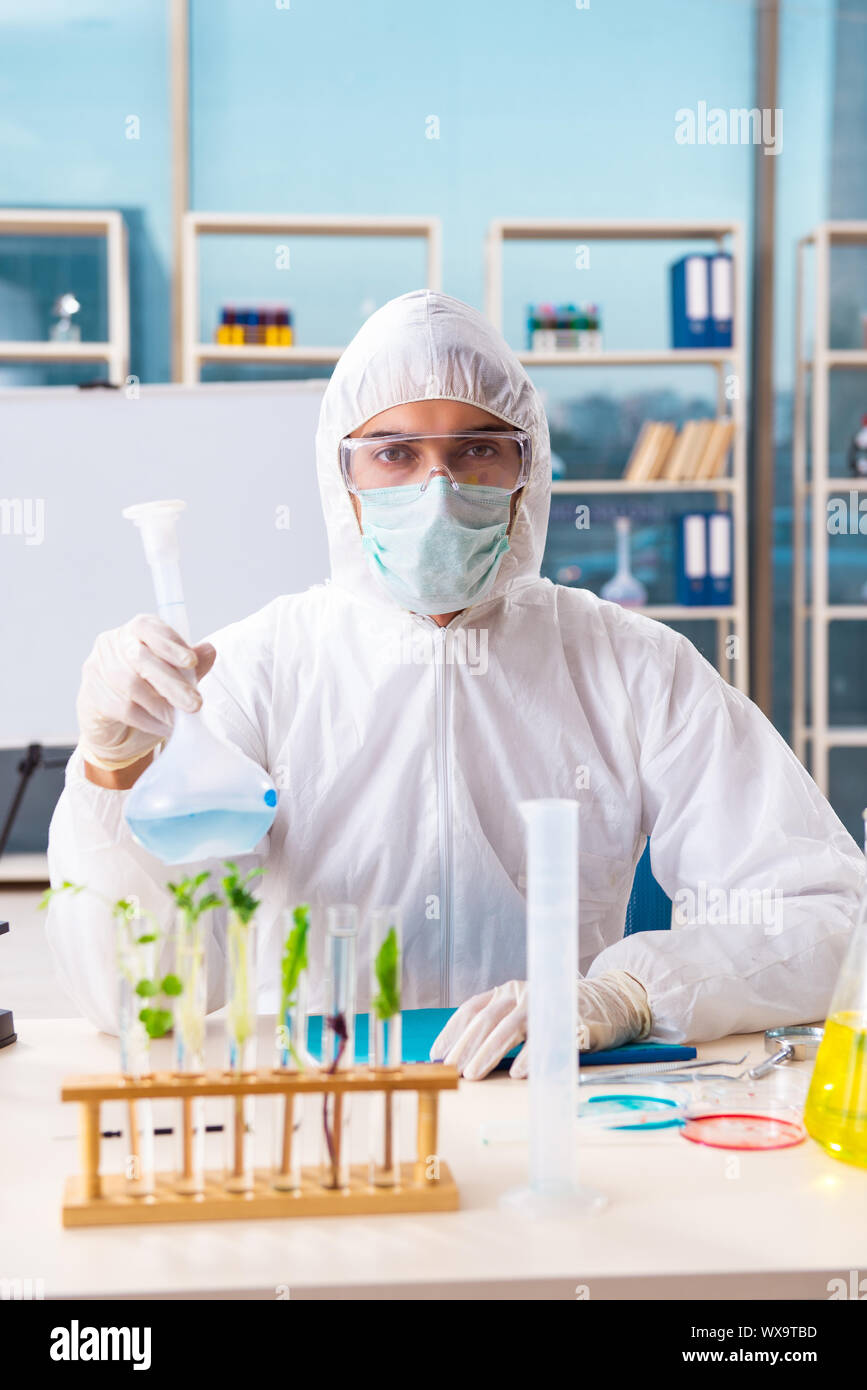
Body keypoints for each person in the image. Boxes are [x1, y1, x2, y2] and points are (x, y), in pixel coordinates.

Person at [46, 290, 864, 1079]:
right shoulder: (255, 667)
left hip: (559, 1103)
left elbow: (820, 915)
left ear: (526, 468)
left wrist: (627, 994)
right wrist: (111, 771)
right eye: (395, 452)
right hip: (327, 1110)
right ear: (343, 479)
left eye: (476, 449)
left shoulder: (630, 662)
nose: (437, 491)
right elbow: (143, 1002)